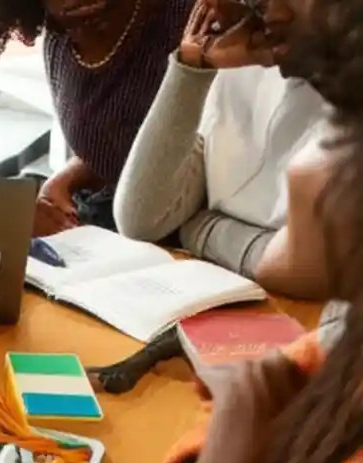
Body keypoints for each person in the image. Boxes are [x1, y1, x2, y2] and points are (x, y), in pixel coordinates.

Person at [102, 1, 362, 463]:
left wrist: (232, 435)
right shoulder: (347, 338)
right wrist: (189, 71)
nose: (299, 174)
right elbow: (144, 213)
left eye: (339, 126)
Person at [113, 0, 331, 295]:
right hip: (217, 302)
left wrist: (199, 230)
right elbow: (142, 217)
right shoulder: (246, 59)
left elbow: (305, 267)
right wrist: (192, 68)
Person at [0, 0, 191, 236]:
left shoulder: (184, 17)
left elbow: (190, 149)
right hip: (105, 214)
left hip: (175, 220)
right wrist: (64, 181)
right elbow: (118, 144)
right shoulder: (59, 39)